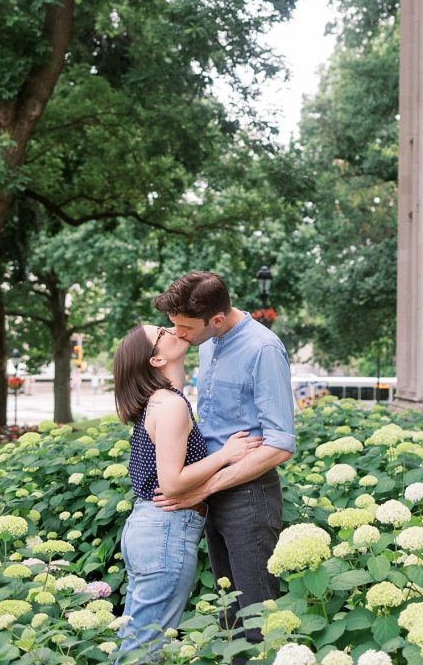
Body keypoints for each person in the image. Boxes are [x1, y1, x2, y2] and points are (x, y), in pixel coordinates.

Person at [151, 271, 295, 640]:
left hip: (249, 495)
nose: (178, 335)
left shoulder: (263, 348)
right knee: (229, 615)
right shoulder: (206, 340)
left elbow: (279, 444)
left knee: (257, 620)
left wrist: (203, 488)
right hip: (211, 488)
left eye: (184, 328)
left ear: (215, 319)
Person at [113, 323, 263, 661]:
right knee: (144, 649)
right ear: (155, 359)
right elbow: (173, 483)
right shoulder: (169, 405)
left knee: (137, 641)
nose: (173, 329)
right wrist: (226, 455)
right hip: (164, 528)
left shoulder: (164, 401)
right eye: (162, 332)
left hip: (151, 527)